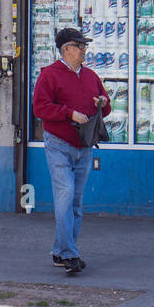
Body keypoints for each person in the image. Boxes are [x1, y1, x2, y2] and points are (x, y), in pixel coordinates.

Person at [31, 27, 110, 276]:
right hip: (59, 144)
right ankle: (69, 254)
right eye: (80, 45)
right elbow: (40, 108)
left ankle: (60, 250)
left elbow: (104, 108)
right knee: (65, 196)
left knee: (74, 203)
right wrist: (68, 113)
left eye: (84, 45)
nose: (84, 49)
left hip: (84, 146)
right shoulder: (49, 75)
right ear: (66, 49)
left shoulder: (90, 76)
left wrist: (103, 103)